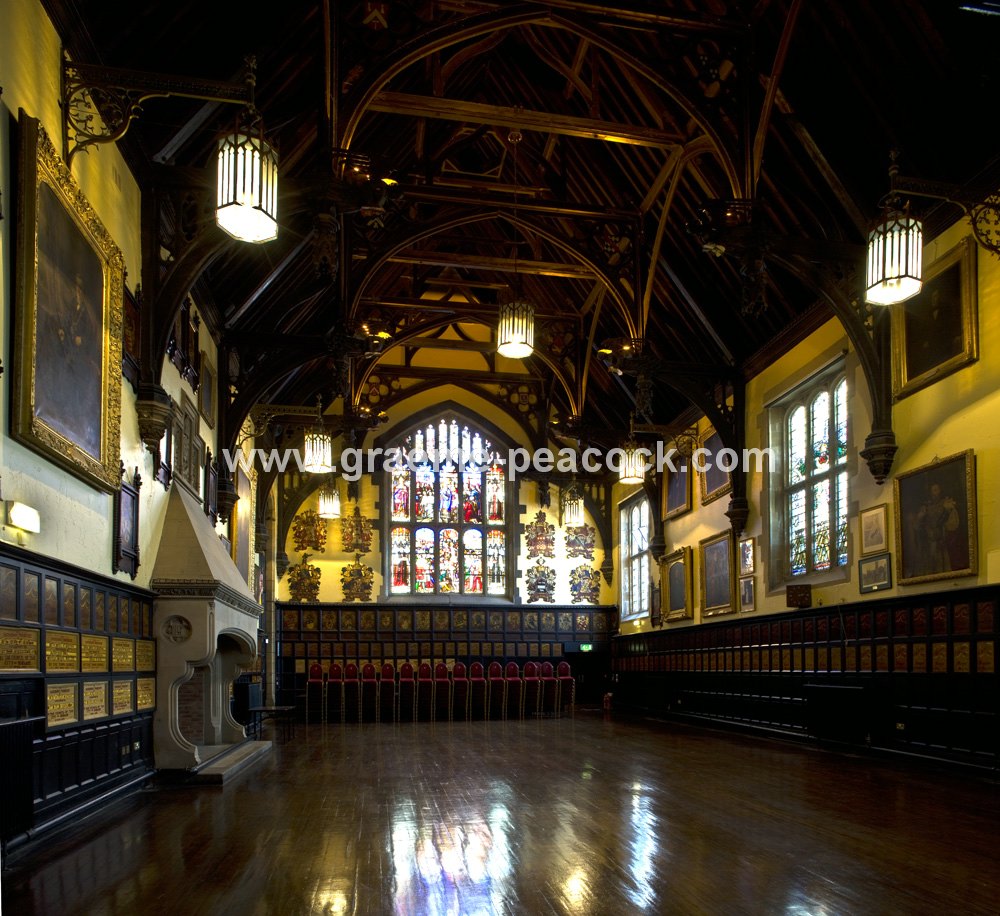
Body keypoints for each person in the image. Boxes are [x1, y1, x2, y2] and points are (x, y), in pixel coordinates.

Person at [913, 481, 964, 576]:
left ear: (940, 491)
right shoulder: (925, 507)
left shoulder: (946, 504)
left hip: (941, 541)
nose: (934, 493)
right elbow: (917, 525)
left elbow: (953, 524)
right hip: (928, 543)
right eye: (932, 490)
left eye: (936, 490)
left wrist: (941, 527)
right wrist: (920, 517)